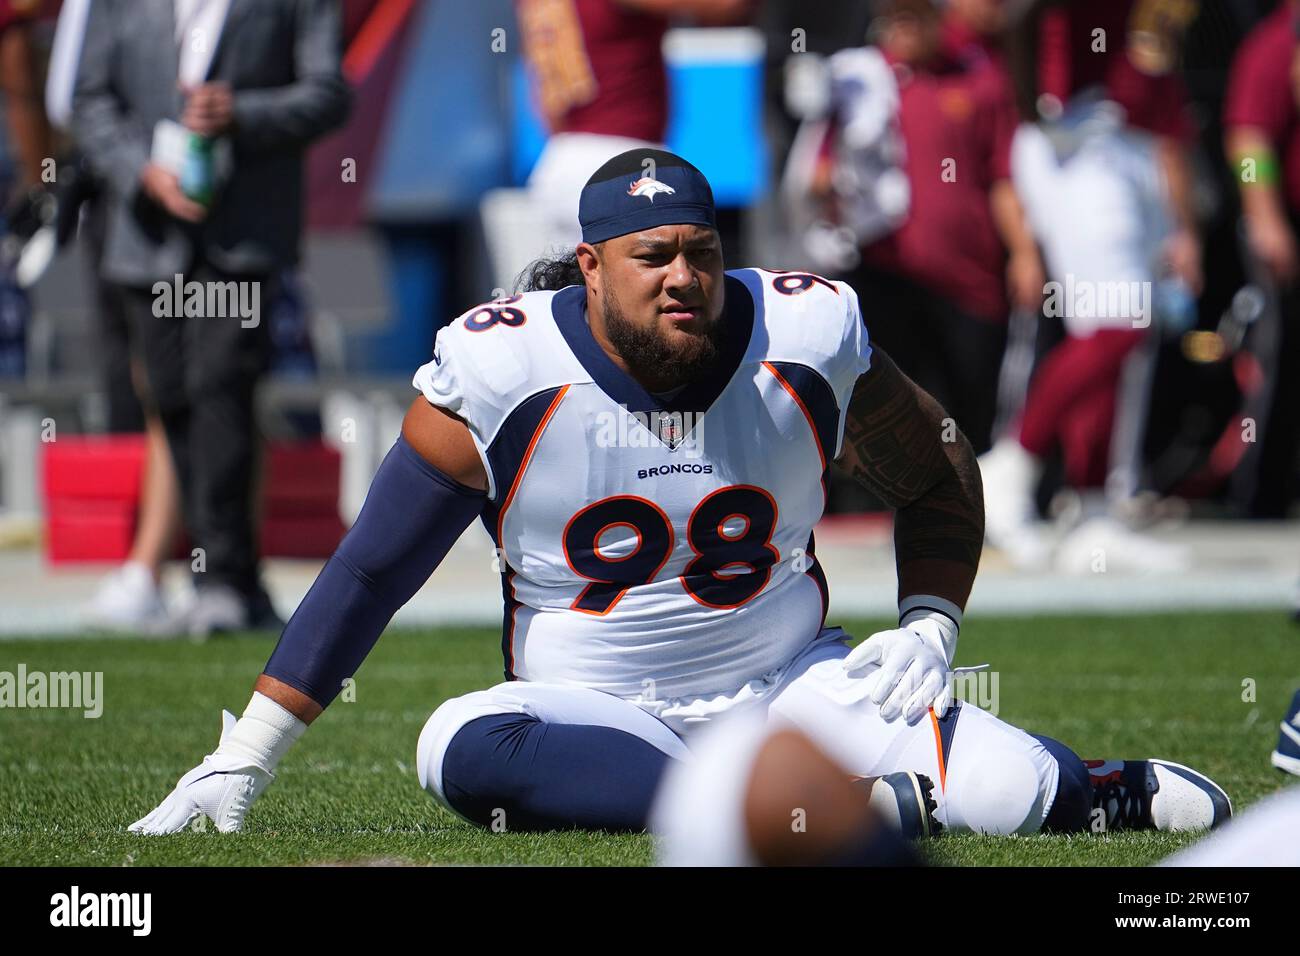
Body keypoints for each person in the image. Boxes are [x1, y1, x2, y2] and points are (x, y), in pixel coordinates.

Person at [128, 150, 1229, 841]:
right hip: (594, 709)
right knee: (453, 742)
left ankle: (1100, 784)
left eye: (700, 253)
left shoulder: (805, 335)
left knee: (1017, 797)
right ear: (589, 265)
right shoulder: (501, 371)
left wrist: (932, 624)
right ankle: (819, 803)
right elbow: (372, 569)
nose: (681, 279)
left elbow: (938, 464)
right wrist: (248, 750)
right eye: (651, 255)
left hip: (793, 679)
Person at [71, 0, 351, 636]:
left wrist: (241, 113)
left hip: (244, 234)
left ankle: (223, 576)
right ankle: (231, 579)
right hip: (146, 233)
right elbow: (89, 99)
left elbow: (329, 94)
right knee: (169, 394)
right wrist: (139, 170)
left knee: (221, 385)